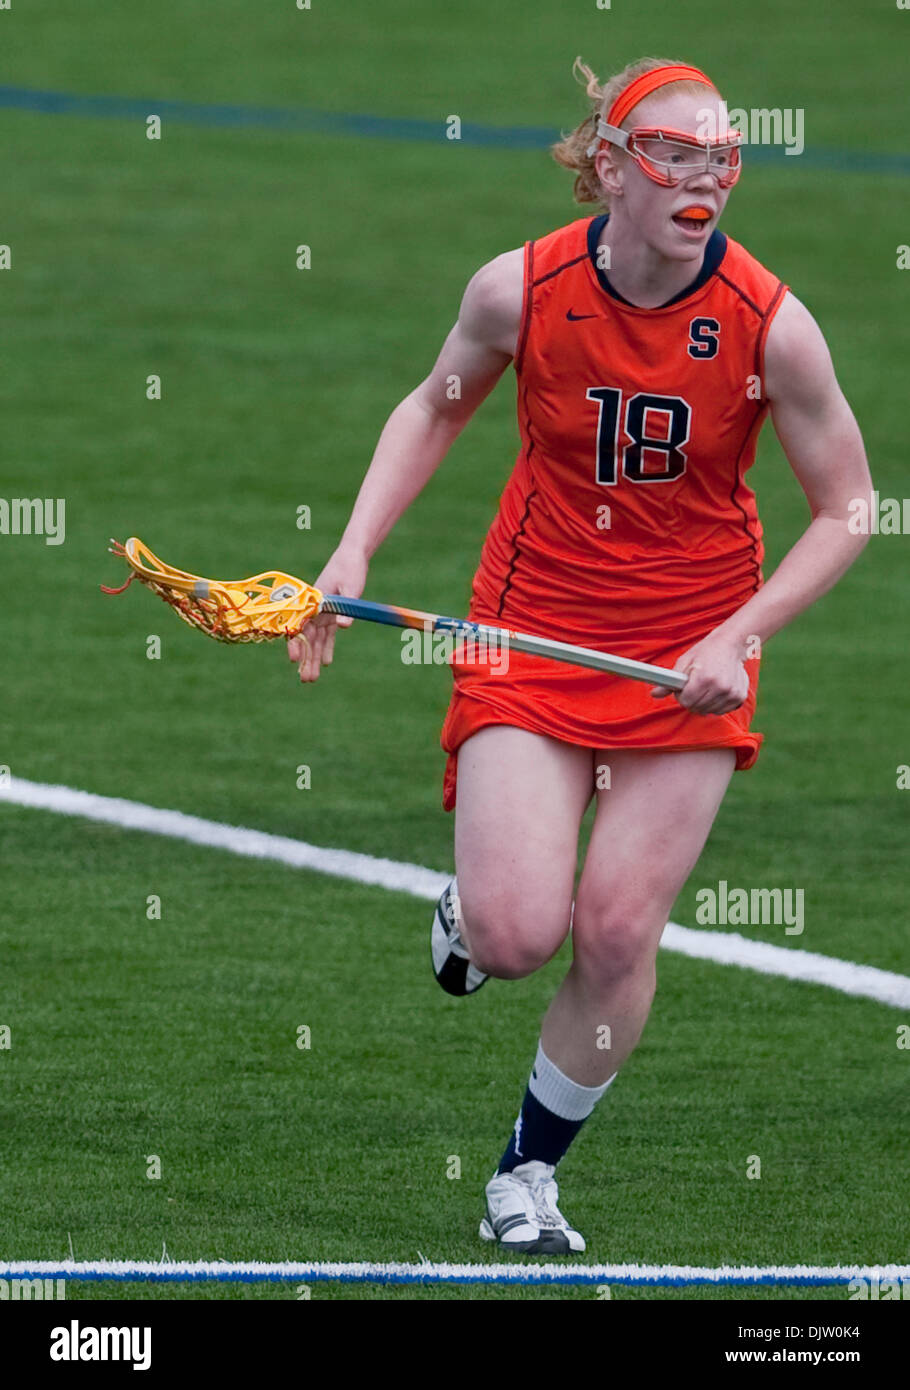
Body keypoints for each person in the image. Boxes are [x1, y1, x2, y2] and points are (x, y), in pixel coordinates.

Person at [288, 56, 872, 1254]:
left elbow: (849, 508)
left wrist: (736, 635)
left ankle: (523, 1177)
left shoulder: (772, 324)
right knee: (515, 937)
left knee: (613, 931)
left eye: (720, 155)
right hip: (533, 627)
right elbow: (436, 404)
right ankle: (471, 915)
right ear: (608, 165)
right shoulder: (521, 290)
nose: (701, 176)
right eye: (671, 151)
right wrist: (350, 550)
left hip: (688, 650)